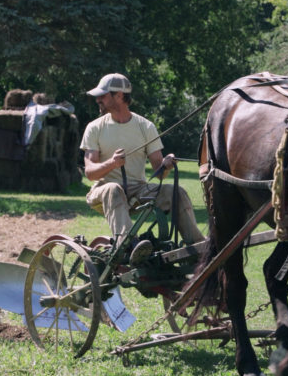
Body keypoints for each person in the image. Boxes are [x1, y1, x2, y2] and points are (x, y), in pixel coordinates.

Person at [80, 73, 204, 263]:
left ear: (119, 96)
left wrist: (166, 164)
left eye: (103, 95)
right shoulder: (94, 127)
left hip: (138, 189)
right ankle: (130, 245)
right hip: (104, 190)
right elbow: (90, 172)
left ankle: (199, 248)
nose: (98, 99)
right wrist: (112, 163)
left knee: (176, 192)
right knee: (113, 189)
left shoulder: (145, 126)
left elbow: (159, 172)